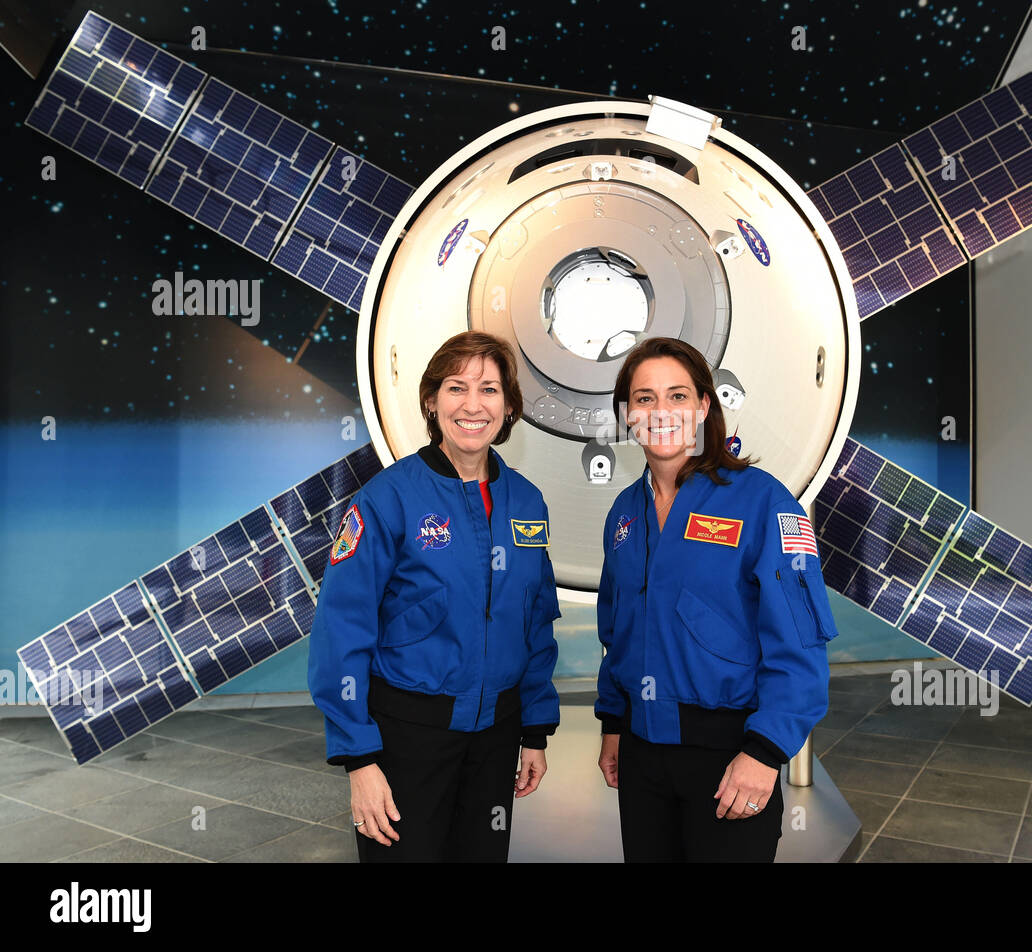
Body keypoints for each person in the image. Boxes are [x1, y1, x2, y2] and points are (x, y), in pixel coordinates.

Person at [308, 330, 561, 862]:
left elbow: (536, 620)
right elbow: (342, 628)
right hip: (407, 740)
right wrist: (360, 759)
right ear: (431, 400)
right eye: (456, 387)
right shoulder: (389, 498)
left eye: (490, 389)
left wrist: (534, 729)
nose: (473, 405)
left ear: (509, 406)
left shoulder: (527, 502)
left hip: (496, 738)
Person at [594, 337, 837, 862]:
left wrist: (765, 751)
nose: (661, 411)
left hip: (732, 752)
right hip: (642, 751)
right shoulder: (623, 515)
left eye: (678, 396)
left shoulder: (762, 500)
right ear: (626, 414)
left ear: (705, 406)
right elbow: (617, 633)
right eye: (644, 398)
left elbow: (799, 640)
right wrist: (613, 724)